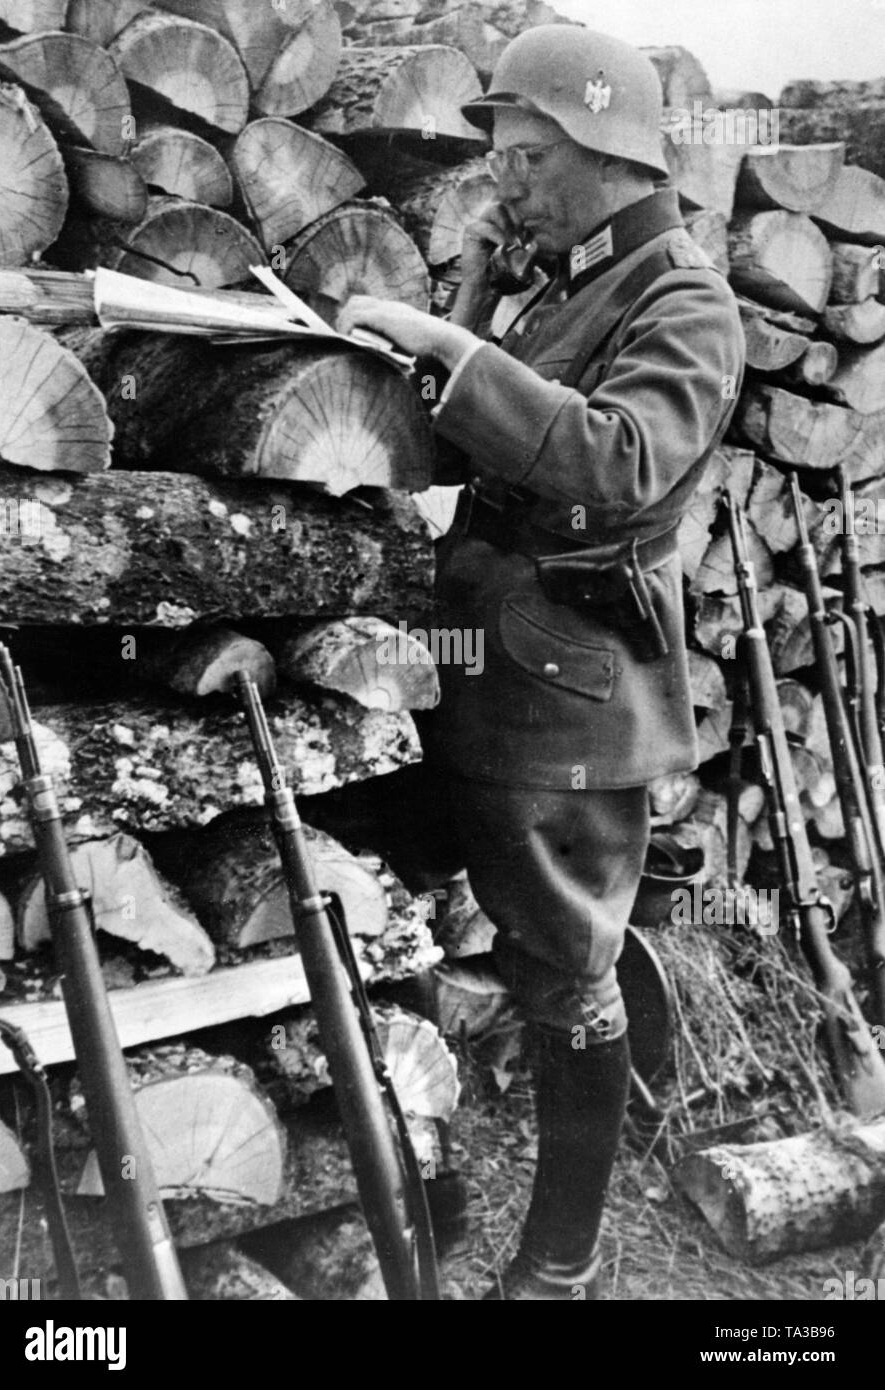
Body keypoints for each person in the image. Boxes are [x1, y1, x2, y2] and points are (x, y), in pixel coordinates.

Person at [337, 24, 745, 1300]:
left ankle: (558, 1266)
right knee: (376, 898)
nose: (498, 181)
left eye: (521, 155)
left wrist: (453, 345)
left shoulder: (683, 297)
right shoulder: (556, 283)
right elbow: (469, 452)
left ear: (606, 147)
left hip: (568, 693)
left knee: (566, 975)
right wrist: (466, 298)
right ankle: (419, 1177)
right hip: (464, 660)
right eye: (501, 156)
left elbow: (615, 465)